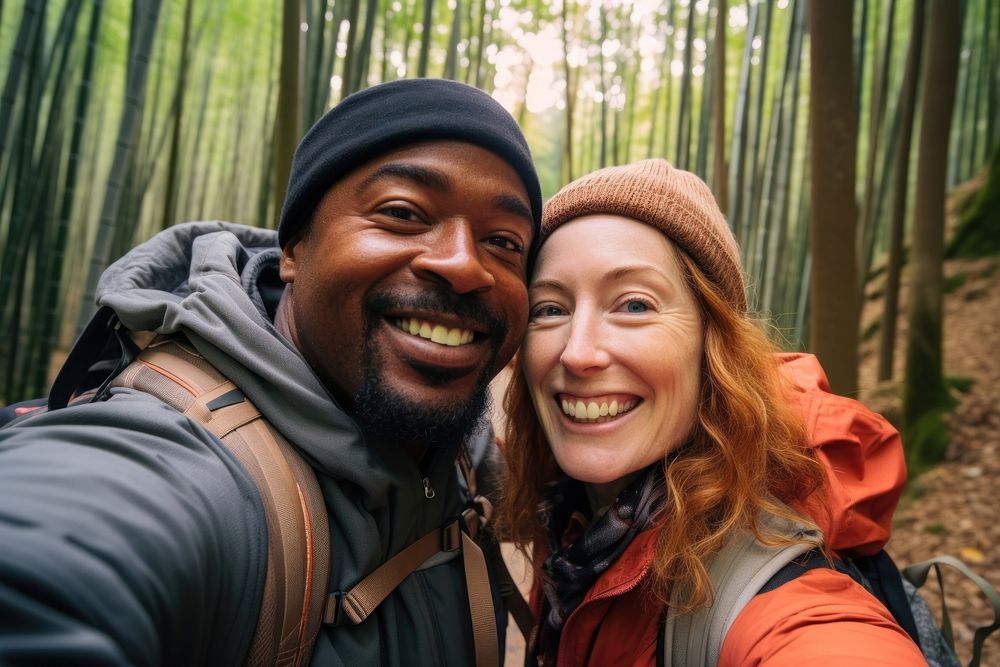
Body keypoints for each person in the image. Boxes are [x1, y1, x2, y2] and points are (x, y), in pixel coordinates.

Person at [0, 78, 542, 665]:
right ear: (294, 249)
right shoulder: (180, 462)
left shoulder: (457, 456)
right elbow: (49, 561)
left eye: (503, 241)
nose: (464, 264)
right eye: (402, 213)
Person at [496, 159, 926, 665]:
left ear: (714, 345)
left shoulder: (784, 601)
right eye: (550, 308)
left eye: (634, 305)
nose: (577, 352)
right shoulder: (572, 519)